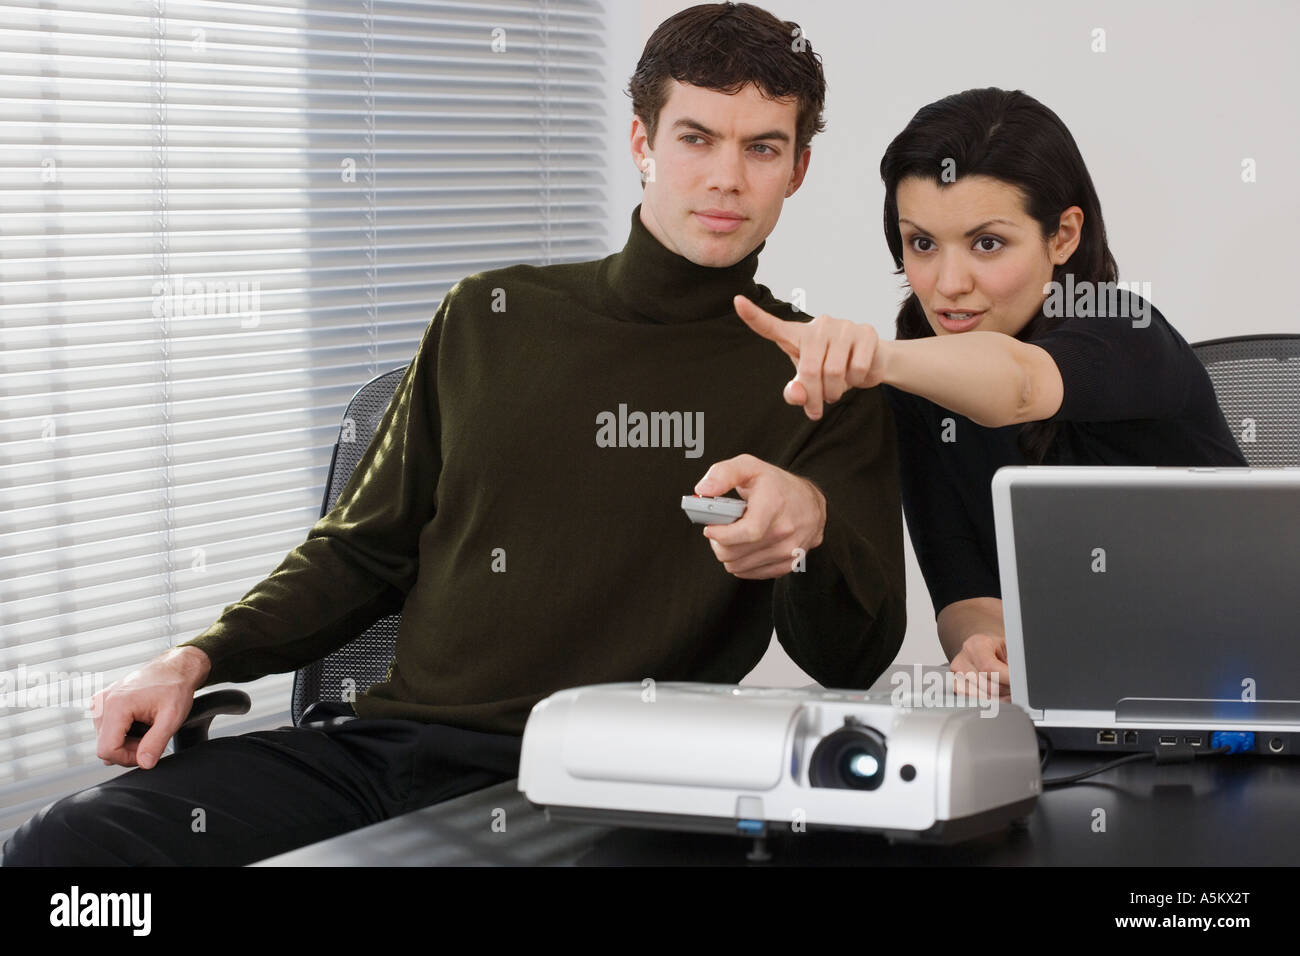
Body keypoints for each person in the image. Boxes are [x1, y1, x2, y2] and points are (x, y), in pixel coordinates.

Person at [2, 3, 906, 866]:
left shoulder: (823, 378)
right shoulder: (490, 316)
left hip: (602, 783)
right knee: (65, 850)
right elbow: (361, 553)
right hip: (381, 754)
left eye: (762, 148)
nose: (725, 177)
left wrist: (812, 527)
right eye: (696, 138)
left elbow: (851, 658)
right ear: (643, 142)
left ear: (797, 168)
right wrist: (197, 656)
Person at [732, 87, 1246, 700]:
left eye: (987, 243)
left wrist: (877, 358)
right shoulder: (917, 389)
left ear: (1063, 236)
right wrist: (981, 644)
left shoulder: (1124, 328)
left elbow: (1022, 384)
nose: (949, 285)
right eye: (923, 243)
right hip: (1082, 713)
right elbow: (961, 587)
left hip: (1236, 684)